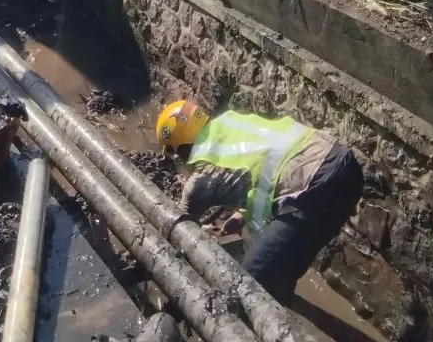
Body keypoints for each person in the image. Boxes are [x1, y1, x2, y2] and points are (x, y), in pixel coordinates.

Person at [156, 99, 364, 303]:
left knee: (247, 292)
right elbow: (265, 164)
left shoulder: (199, 182)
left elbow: (175, 228)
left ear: (180, 150)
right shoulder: (231, 122)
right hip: (344, 168)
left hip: (311, 189)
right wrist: (241, 214)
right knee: (282, 275)